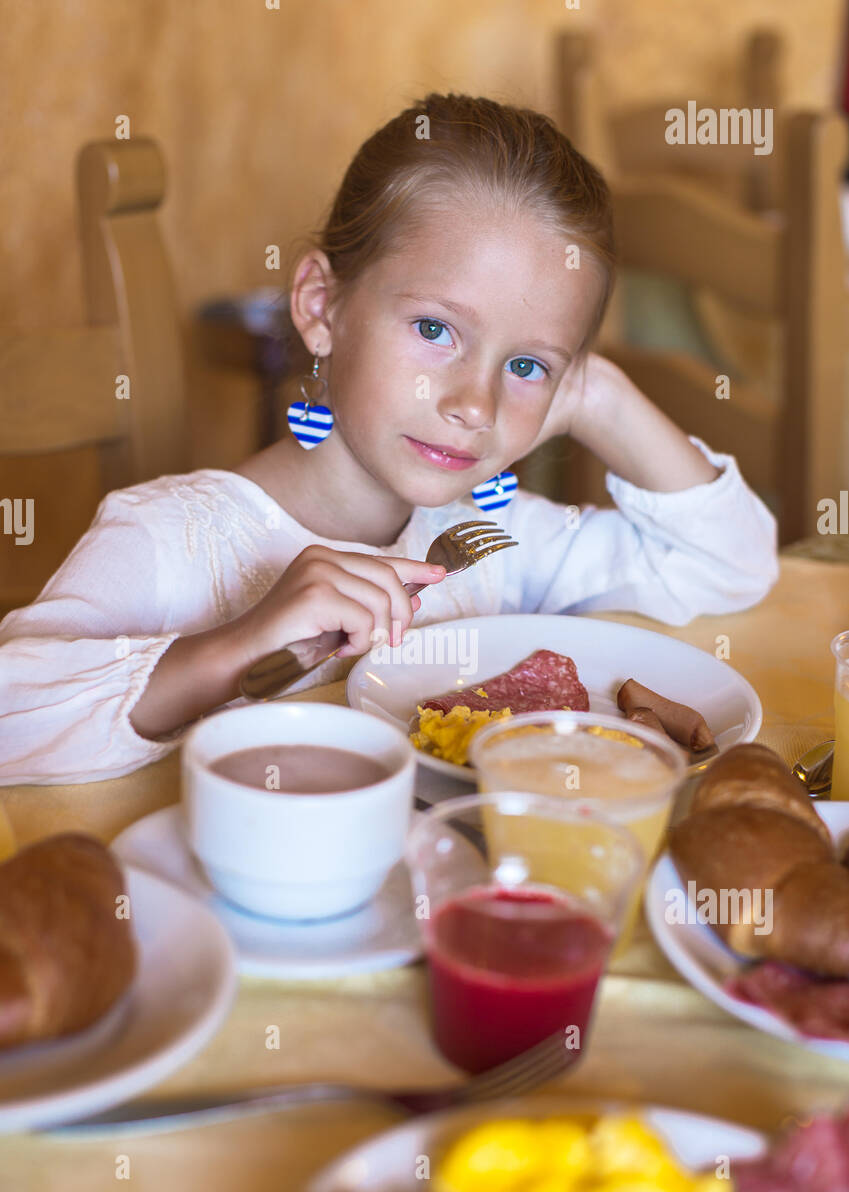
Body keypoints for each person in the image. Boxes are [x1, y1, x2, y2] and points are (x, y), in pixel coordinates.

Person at [0, 93, 778, 785]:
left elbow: (729, 565)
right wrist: (233, 648)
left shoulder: (491, 541)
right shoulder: (170, 537)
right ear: (319, 306)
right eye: (435, 328)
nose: (475, 403)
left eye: (525, 364)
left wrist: (596, 394)